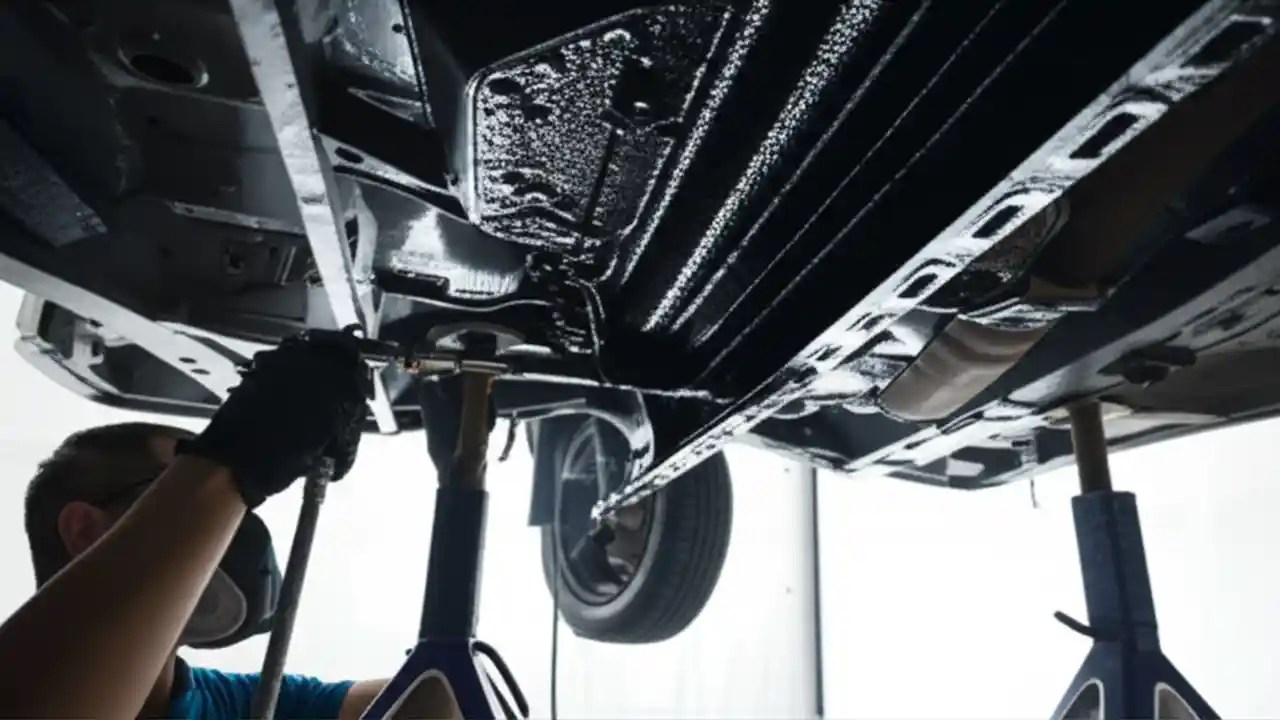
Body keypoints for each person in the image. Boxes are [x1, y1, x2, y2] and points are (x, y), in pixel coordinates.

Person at [0, 336, 453, 718]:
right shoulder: (20, 685)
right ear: (84, 530)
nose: (229, 514)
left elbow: (437, 702)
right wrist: (236, 458)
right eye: (176, 480)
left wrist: (461, 477)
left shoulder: (237, 704)